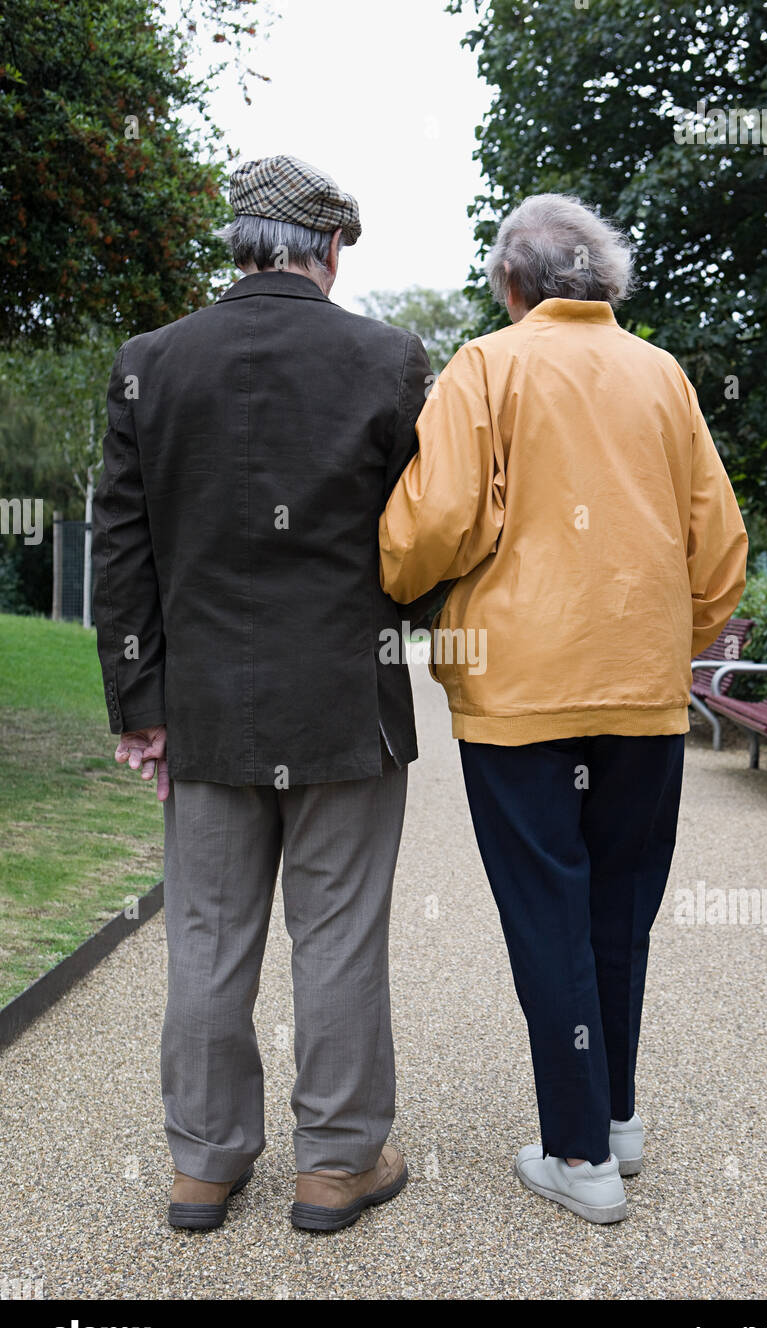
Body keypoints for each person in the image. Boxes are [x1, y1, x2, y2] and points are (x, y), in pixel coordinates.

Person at [379, 192, 748, 1224]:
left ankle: (580, 1153)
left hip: (520, 691)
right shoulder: (663, 376)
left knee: (549, 915)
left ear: (511, 284)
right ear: (605, 284)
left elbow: (431, 527)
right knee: (618, 910)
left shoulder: (483, 368)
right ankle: (615, 1114)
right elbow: (717, 551)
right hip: (639, 692)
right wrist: (654, 644)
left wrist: (400, 574)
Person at [92, 153, 434, 1233]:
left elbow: (120, 546)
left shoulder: (152, 361)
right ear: (327, 249)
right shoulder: (385, 358)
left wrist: (139, 700)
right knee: (335, 935)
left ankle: (203, 1164)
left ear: (238, 245)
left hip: (203, 706)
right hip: (345, 700)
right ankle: (333, 1166)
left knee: (204, 934)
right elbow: (419, 534)